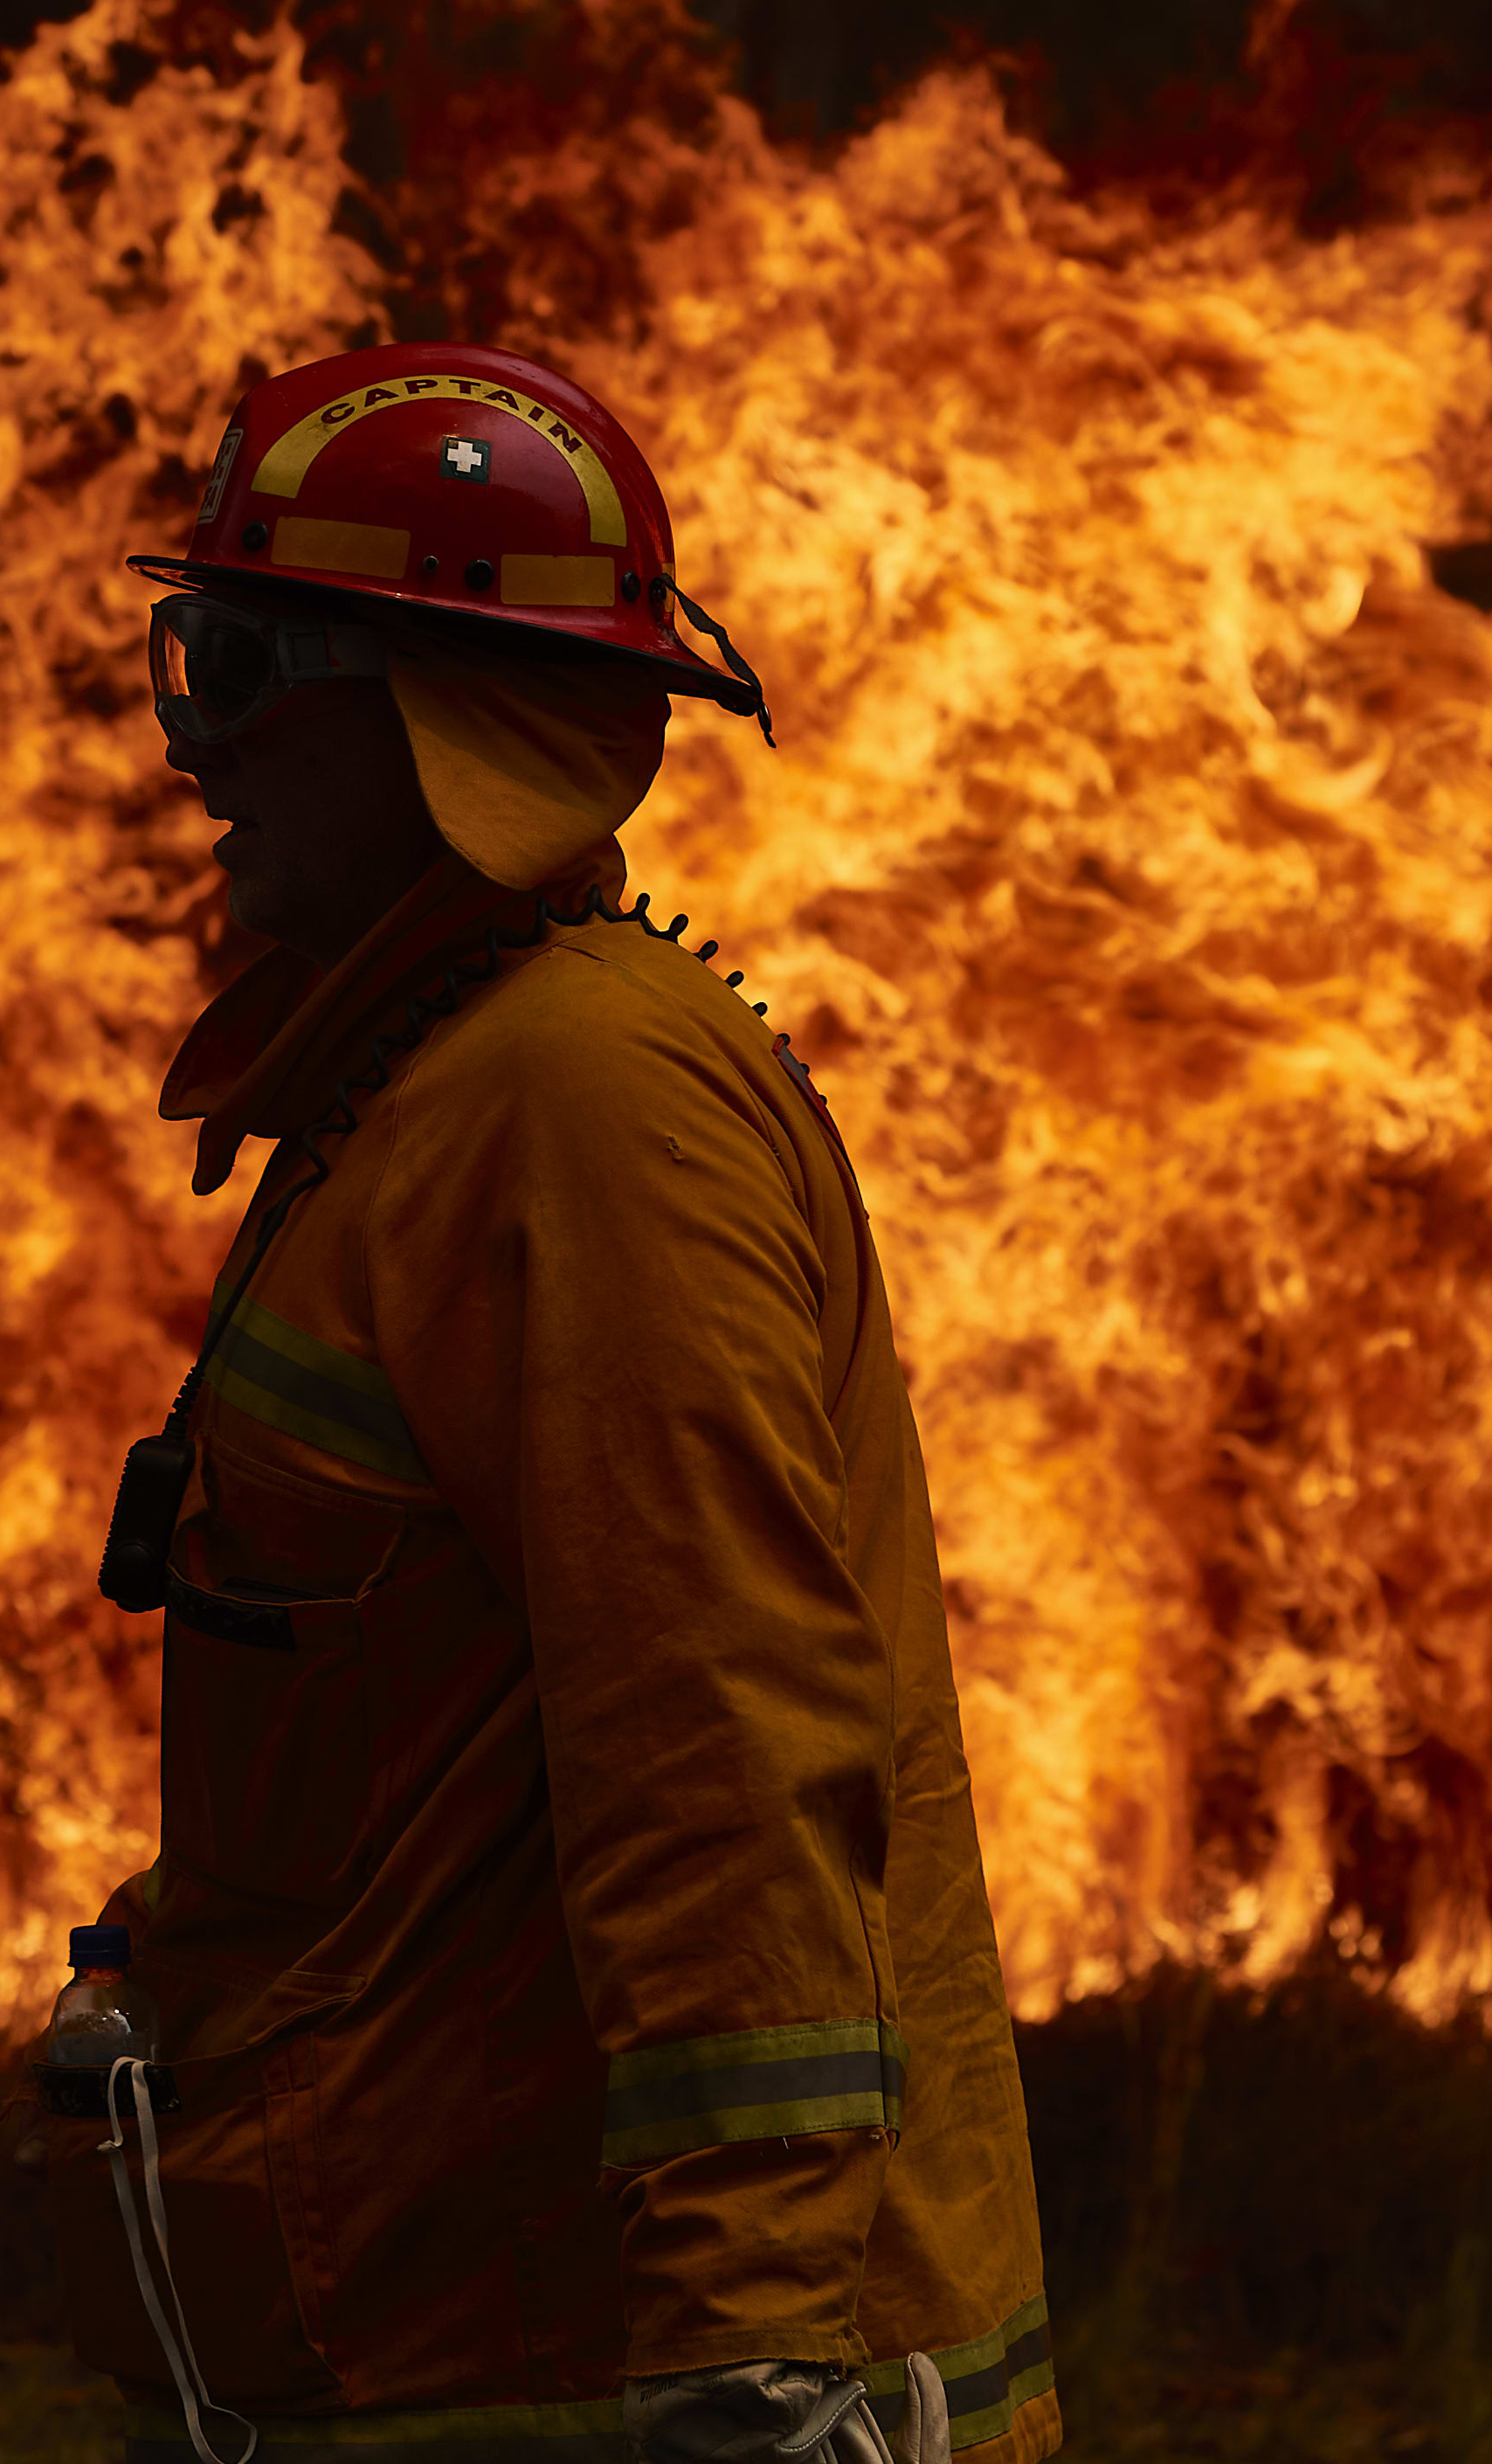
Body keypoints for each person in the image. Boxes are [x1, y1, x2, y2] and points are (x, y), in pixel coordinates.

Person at [54, 341, 1057, 2464]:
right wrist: (176, 1960)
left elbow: (720, 1758)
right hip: (440, 2334)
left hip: (582, 2379)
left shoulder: (579, 1109)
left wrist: (756, 2372)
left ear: (411, 711)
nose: (192, 748)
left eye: (234, 668)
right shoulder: (427, 1082)